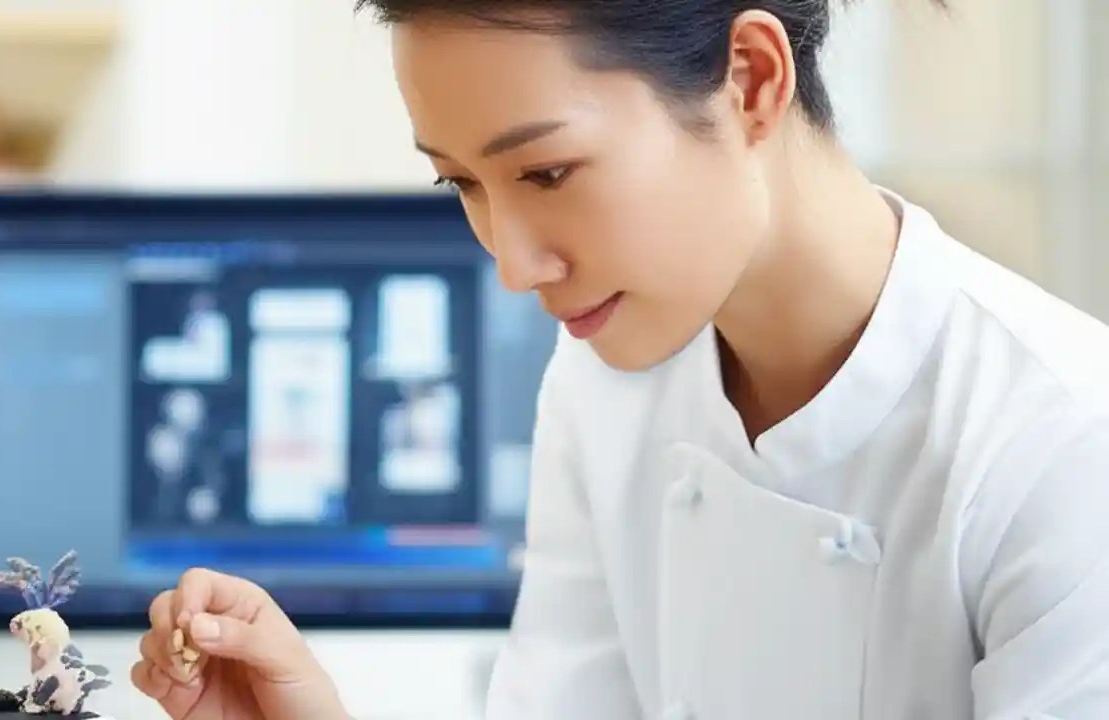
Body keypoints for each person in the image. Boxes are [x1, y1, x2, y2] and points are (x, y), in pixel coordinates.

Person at [131, 1, 1109, 718]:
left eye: (546, 173)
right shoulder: (606, 383)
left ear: (751, 82)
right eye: (459, 184)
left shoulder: (1060, 445)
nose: (511, 264)